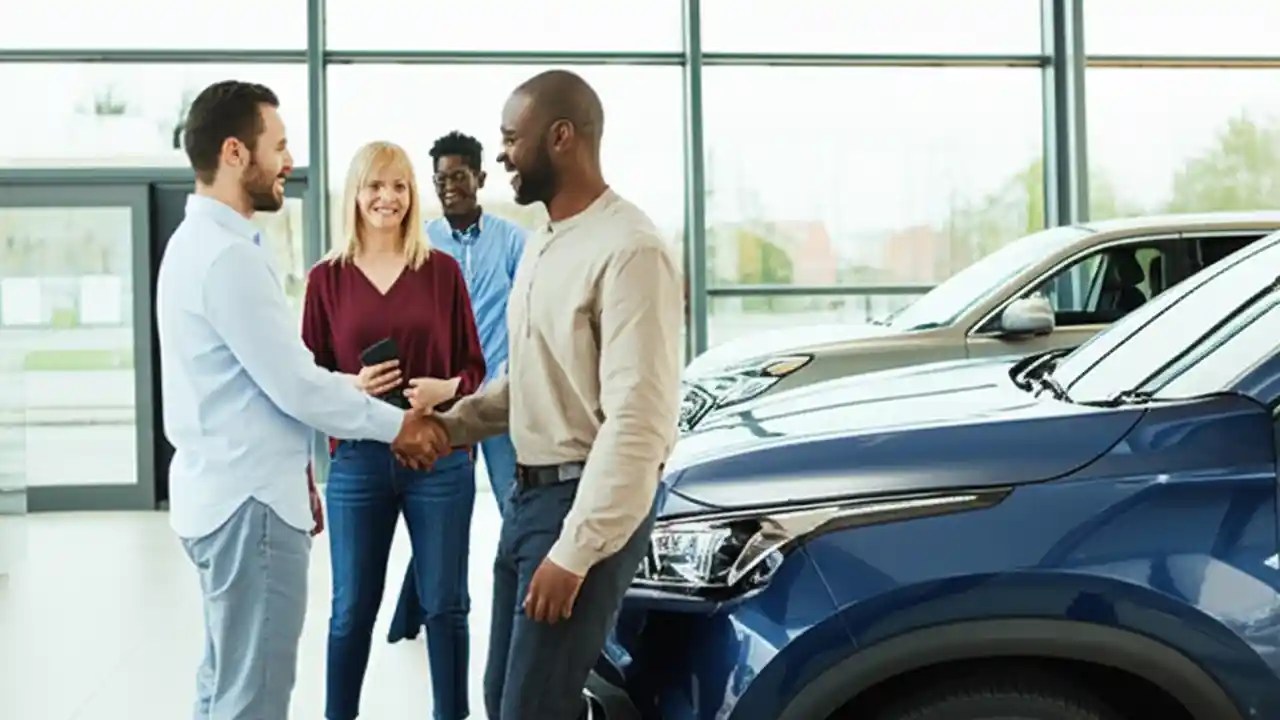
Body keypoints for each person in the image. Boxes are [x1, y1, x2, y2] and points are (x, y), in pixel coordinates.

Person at [156, 81, 443, 720]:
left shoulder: (194, 245)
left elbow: (269, 377)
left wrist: (342, 392)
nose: (289, 161)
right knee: (252, 697)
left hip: (223, 497)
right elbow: (293, 386)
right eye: (278, 146)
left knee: (222, 685)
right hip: (249, 509)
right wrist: (398, 425)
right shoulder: (226, 257)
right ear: (235, 152)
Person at [419, 69, 683, 719]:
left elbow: (639, 424)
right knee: (503, 700)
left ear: (561, 137)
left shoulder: (630, 249)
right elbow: (535, 379)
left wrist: (575, 550)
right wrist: (450, 426)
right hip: (527, 502)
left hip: (580, 506)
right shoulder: (543, 242)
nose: (501, 154)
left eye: (512, 138)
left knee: (532, 708)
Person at [301, 140, 487, 720]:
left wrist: (446, 388)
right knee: (351, 609)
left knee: (445, 606)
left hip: (439, 457)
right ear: (355, 194)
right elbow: (305, 379)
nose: (388, 198)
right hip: (357, 461)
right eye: (375, 186)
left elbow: (474, 368)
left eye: (400, 186)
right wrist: (351, 386)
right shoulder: (326, 280)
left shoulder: (442, 272)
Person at [387, 130, 528, 646]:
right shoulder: (420, 245)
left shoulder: (512, 241)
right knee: (441, 515)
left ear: (480, 179)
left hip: (494, 402)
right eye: (441, 179)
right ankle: (416, 612)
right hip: (441, 403)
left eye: (459, 177)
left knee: (516, 506)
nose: (449, 187)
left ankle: (522, 607)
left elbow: (533, 308)